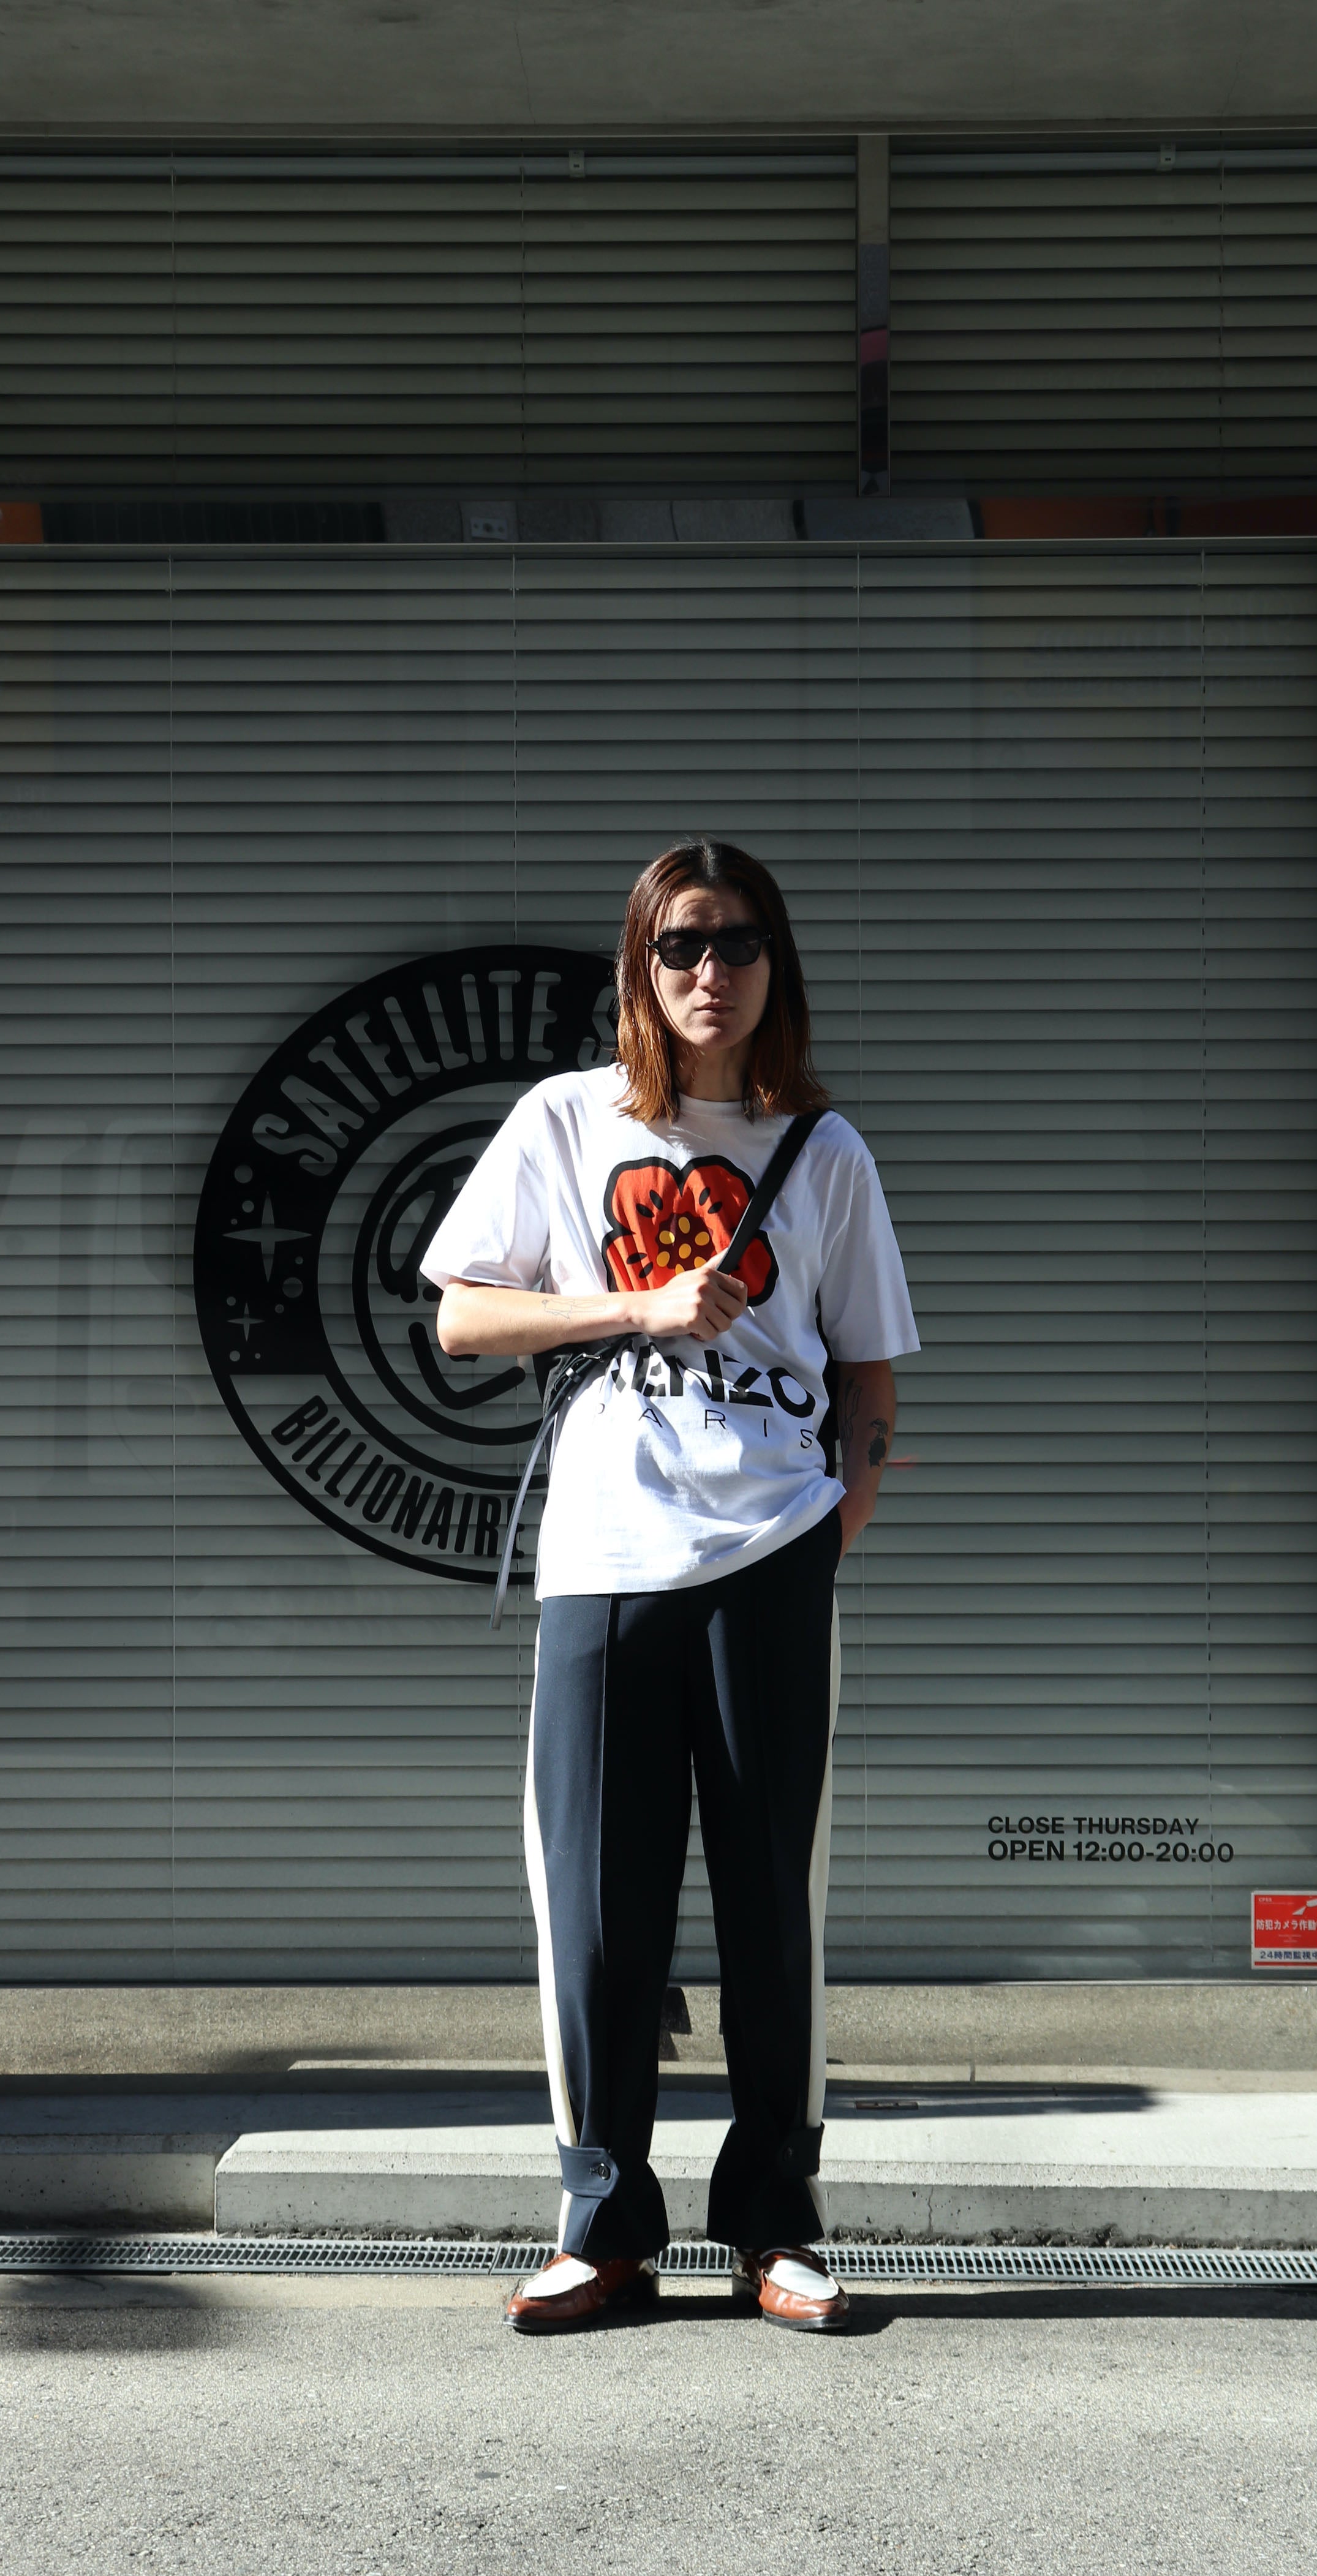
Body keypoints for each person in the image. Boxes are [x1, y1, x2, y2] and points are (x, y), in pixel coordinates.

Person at [424, 838, 919, 2333]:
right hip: (604, 1564)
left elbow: (868, 1372)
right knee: (595, 1911)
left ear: (780, 966)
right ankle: (602, 2224)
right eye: (683, 945)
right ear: (640, 966)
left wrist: (832, 1527)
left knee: (773, 1906)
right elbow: (463, 1319)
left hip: (772, 1557)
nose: (714, 971)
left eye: (741, 942)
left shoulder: (825, 1152)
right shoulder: (566, 1121)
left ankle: (777, 2224)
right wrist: (636, 1303)